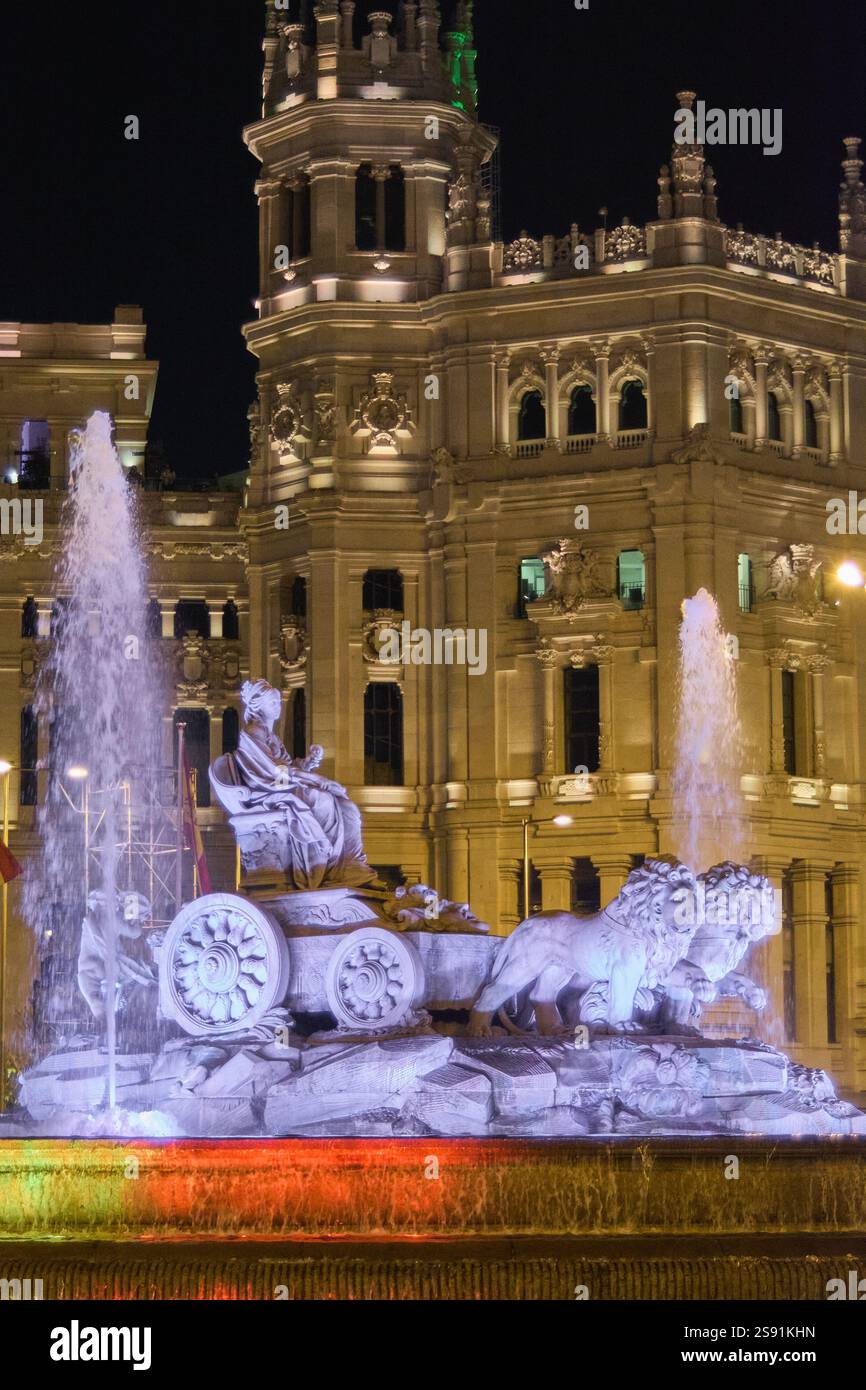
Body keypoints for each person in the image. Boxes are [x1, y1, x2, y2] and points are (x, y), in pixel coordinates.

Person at [211, 679, 376, 891]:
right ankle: (322, 867)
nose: (278, 706)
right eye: (272, 702)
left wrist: (306, 765)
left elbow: (282, 770)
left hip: (279, 787)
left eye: (278, 701)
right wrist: (315, 779)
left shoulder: (272, 737)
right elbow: (272, 773)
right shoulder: (252, 734)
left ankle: (350, 865)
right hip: (265, 794)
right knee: (323, 800)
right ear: (256, 706)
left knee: (348, 807)